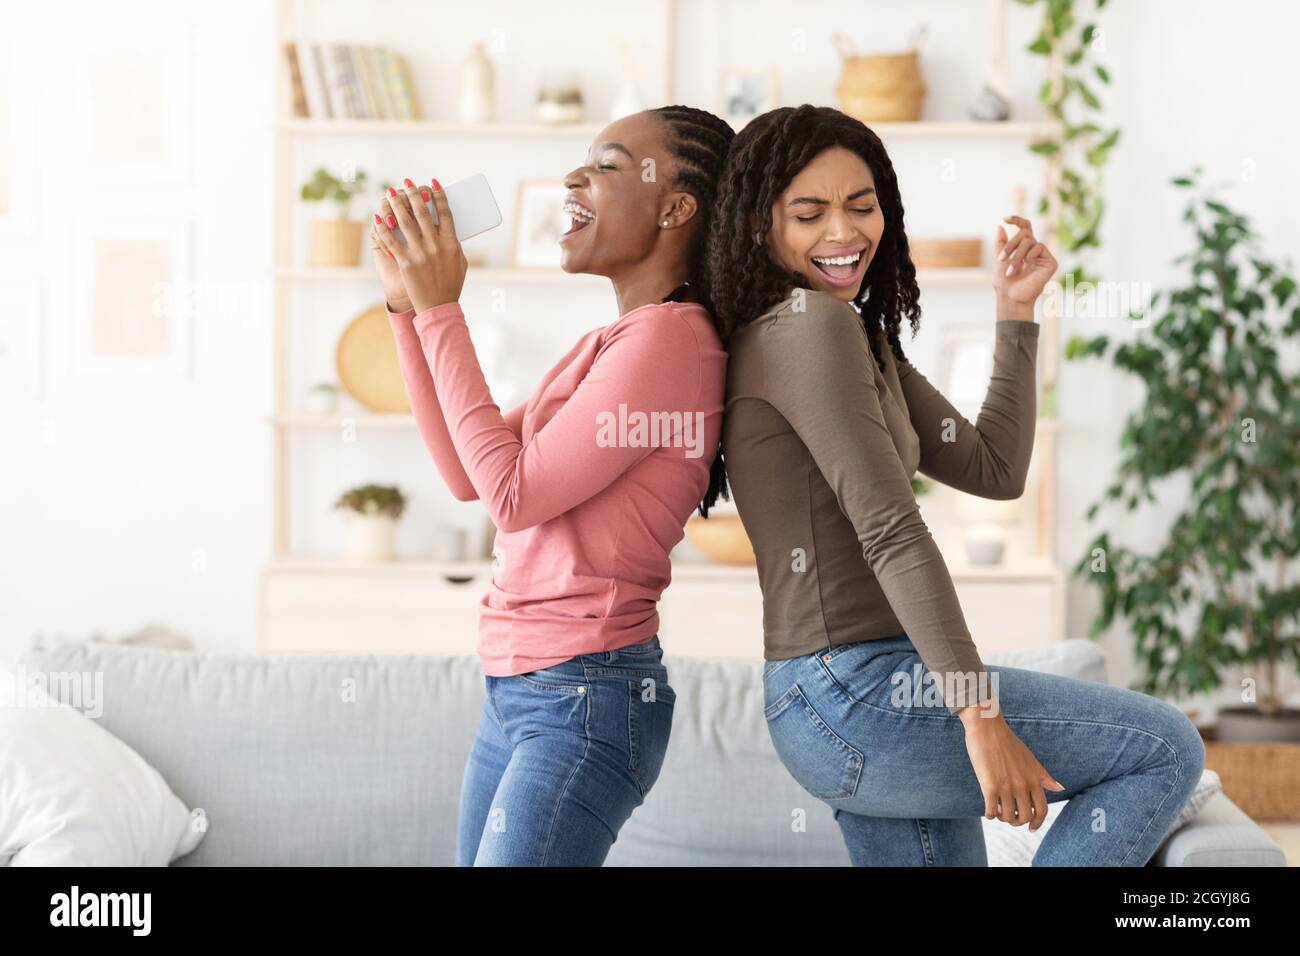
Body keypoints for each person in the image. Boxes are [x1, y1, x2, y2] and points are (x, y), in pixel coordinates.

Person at [708, 104, 1204, 865]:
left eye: (862, 206)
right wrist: (979, 715)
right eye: (809, 213)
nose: (843, 234)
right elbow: (891, 530)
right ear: (756, 224)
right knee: (1165, 746)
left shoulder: (855, 332)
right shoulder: (809, 326)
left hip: (847, 697)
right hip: (858, 691)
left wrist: (1015, 312)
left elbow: (992, 469)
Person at [371, 106, 734, 865]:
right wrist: (408, 310)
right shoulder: (611, 343)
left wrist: (443, 307)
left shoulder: (672, 341)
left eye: (605, 165)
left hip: (584, 695)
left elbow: (513, 496)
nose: (574, 177)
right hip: (522, 689)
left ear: (675, 208)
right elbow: (467, 477)